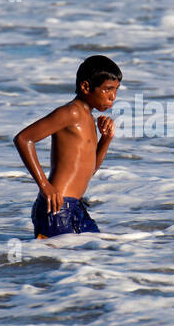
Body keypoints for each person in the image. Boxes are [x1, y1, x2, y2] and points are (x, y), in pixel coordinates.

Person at [13, 55, 122, 239]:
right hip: (57, 208)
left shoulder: (89, 119)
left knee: (96, 256)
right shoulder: (71, 112)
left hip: (75, 207)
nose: (113, 96)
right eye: (107, 89)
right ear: (86, 87)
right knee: (56, 263)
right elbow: (24, 139)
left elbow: (90, 169)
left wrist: (106, 138)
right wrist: (44, 185)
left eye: (116, 90)